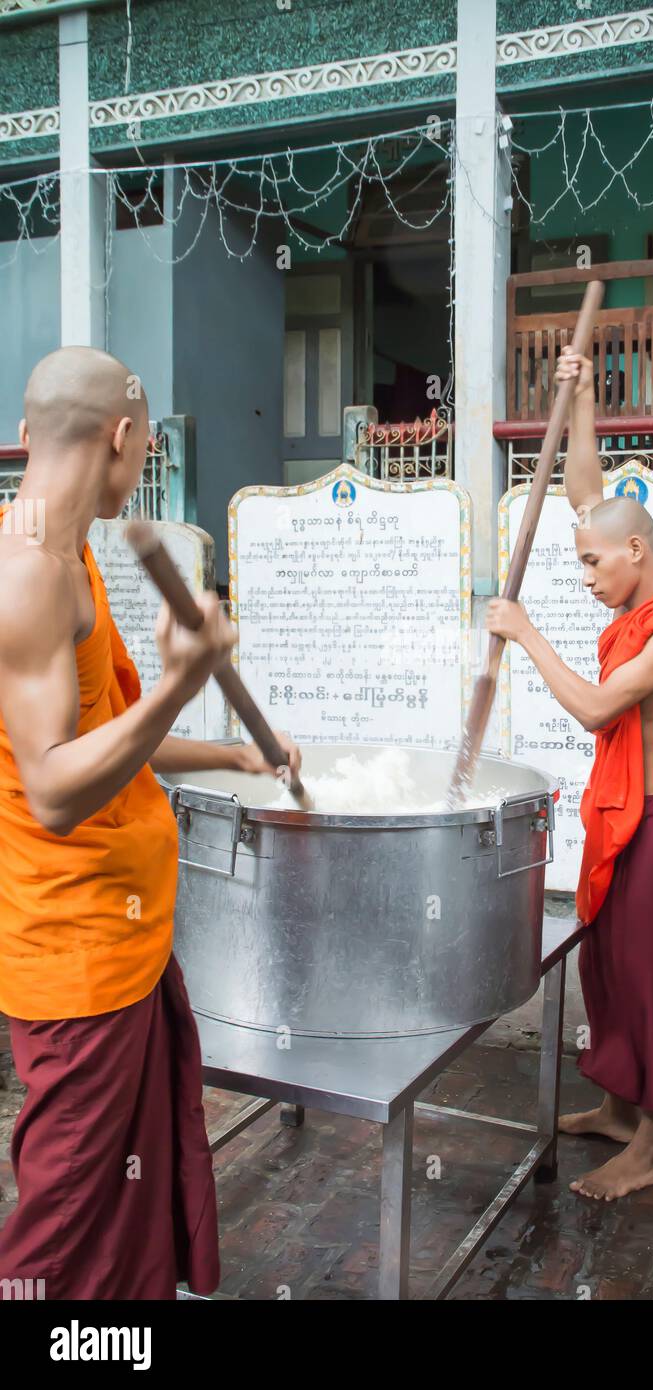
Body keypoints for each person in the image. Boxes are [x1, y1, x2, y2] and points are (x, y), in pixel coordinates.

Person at [0, 346, 300, 1299]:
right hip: (75, 960)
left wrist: (231, 754)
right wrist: (178, 683)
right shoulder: (31, 578)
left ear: (25, 437)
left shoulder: (68, 548)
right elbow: (53, 788)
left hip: (121, 949)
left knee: (119, 1238)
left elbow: (108, 738)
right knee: (57, 1244)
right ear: (127, 440)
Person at [486, 348, 653, 1200]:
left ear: (635, 551)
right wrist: (581, 394)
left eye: (593, 564)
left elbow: (595, 710)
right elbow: (584, 491)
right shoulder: (632, 595)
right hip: (615, 822)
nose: (585, 576)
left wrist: (524, 633)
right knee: (609, 969)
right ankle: (620, 1107)